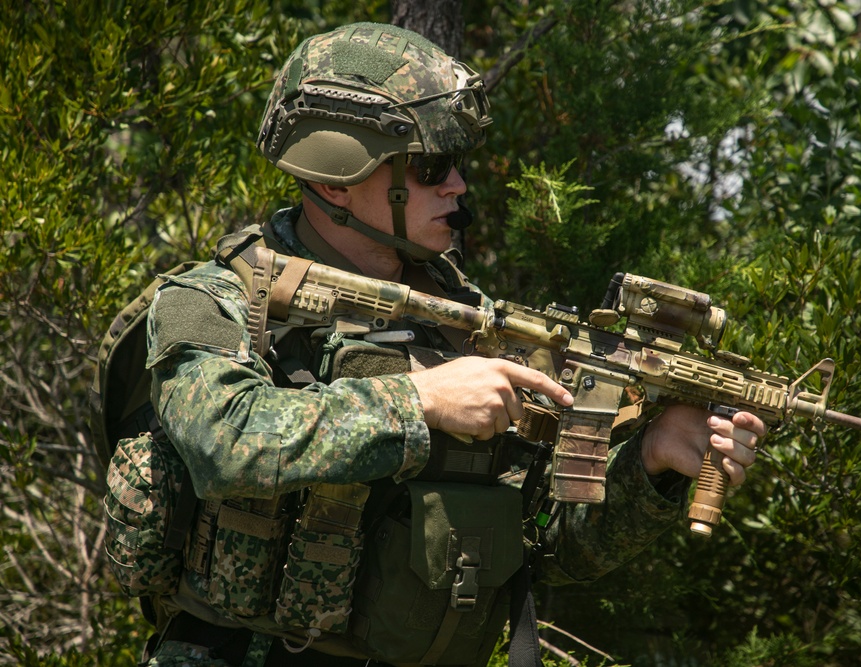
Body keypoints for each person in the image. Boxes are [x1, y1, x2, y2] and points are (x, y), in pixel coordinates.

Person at [135, 22, 765, 667]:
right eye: (431, 167)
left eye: (455, 166)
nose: (458, 186)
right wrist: (418, 402)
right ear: (334, 180)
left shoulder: (471, 324)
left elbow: (544, 551)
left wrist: (651, 462)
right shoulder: (215, 301)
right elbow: (224, 441)